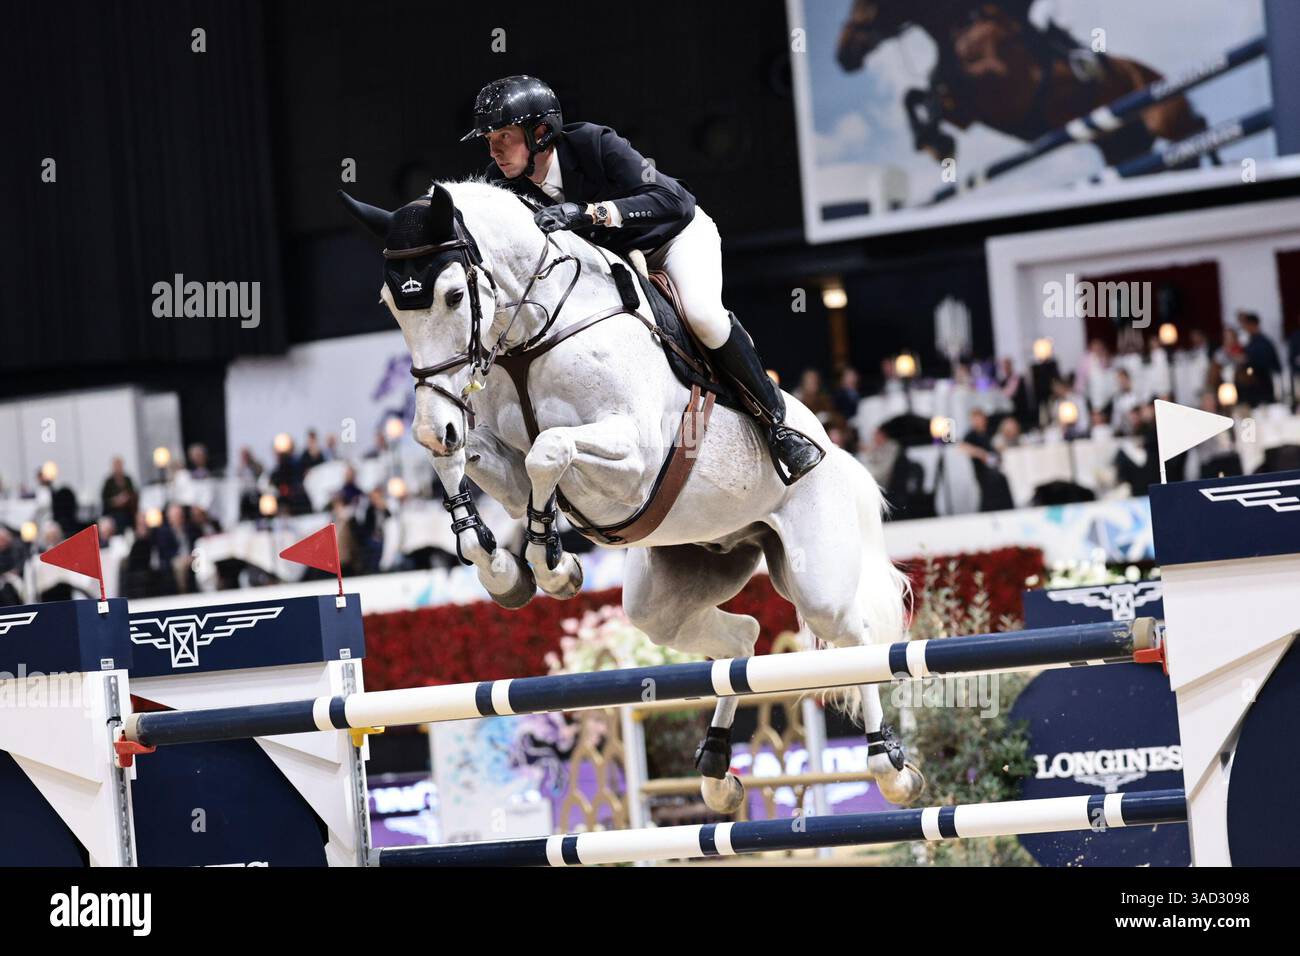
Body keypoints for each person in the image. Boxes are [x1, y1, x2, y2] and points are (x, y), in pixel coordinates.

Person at [464, 75, 823, 483]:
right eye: (488, 138)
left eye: (504, 136)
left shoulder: (593, 143)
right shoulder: (504, 190)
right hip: (612, 263)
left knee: (703, 316)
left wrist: (589, 213)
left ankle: (777, 425)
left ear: (541, 132)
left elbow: (672, 200)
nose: (494, 150)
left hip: (673, 238)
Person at [1237, 312, 1281, 407]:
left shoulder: (1264, 343)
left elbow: (1268, 365)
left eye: (1246, 325)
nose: (1245, 328)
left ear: (1253, 325)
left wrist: (1247, 360)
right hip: (1252, 387)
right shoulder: (1249, 342)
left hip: (1263, 386)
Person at [100, 456, 138, 532]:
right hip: (113, 514)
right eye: (116, 465)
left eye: (120, 465)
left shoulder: (127, 479)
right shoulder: (109, 482)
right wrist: (115, 501)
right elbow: (105, 499)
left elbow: (133, 494)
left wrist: (126, 498)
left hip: (128, 512)